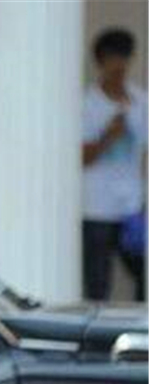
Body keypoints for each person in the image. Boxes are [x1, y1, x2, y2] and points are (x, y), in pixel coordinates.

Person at [82, 28, 148, 301]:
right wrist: (108, 136)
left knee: (142, 275)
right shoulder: (86, 103)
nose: (120, 65)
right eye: (113, 58)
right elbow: (81, 157)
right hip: (96, 208)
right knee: (98, 285)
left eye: (124, 57)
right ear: (101, 61)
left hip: (131, 208)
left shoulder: (141, 101)